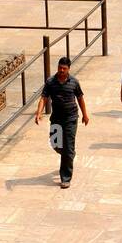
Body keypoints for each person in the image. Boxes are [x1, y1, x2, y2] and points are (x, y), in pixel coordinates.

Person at [35, 56, 88, 188]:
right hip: (57, 118)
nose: (61, 70)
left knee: (68, 147)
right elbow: (44, 97)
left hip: (70, 119)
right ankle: (69, 154)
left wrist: (85, 115)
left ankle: (65, 178)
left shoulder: (74, 82)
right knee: (56, 144)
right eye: (60, 68)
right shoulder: (51, 82)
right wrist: (39, 113)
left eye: (64, 68)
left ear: (69, 69)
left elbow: (80, 98)